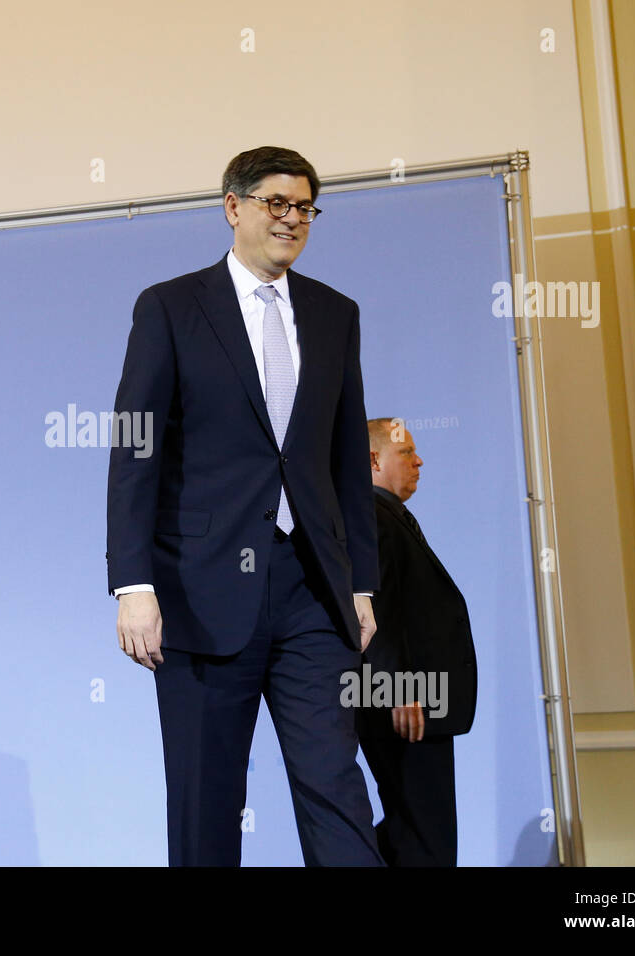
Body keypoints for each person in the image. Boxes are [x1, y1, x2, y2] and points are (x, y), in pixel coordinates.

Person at [106, 146, 382, 866]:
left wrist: (360, 582)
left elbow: (347, 460)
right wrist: (134, 585)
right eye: (276, 204)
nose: (292, 220)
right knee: (207, 800)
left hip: (310, 590)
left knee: (335, 786)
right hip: (198, 591)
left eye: (305, 208)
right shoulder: (170, 306)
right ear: (234, 208)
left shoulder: (335, 314)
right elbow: (136, 449)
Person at [358, 419, 477, 866]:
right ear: (373, 460)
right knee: (425, 841)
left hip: (413, 704)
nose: (418, 460)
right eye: (406, 452)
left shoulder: (387, 515)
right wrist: (399, 687)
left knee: (417, 834)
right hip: (406, 705)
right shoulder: (372, 515)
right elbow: (374, 608)